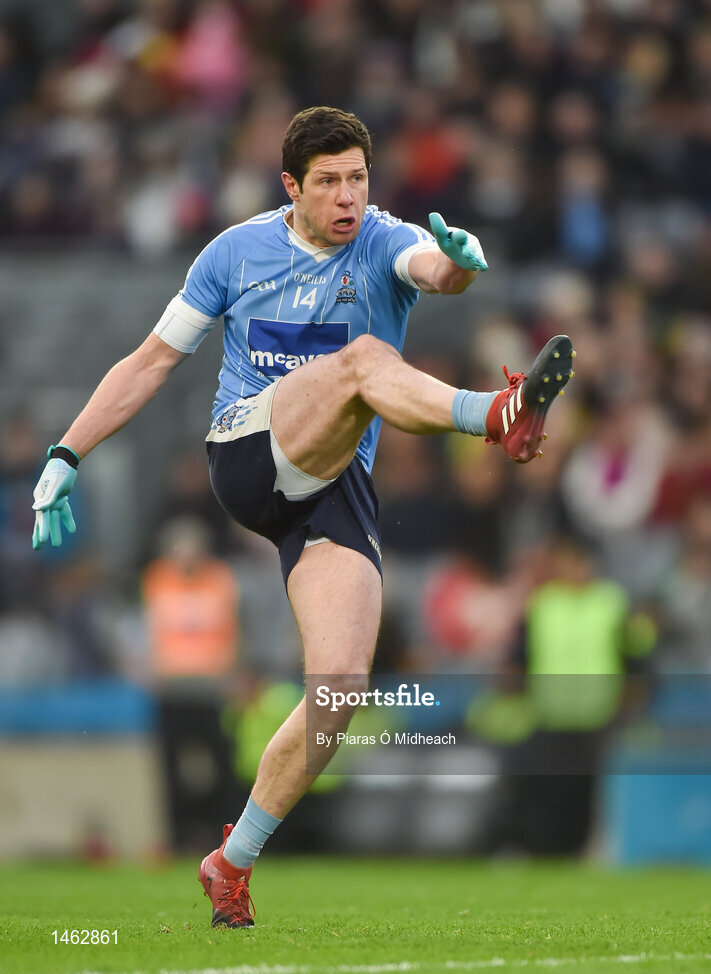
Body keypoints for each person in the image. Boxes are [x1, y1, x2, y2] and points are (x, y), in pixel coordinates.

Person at [31, 106, 574, 928]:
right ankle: (495, 414)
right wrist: (65, 455)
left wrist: (459, 264)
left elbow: (432, 269)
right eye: (328, 182)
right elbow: (149, 363)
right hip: (248, 455)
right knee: (360, 363)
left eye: (358, 178)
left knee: (339, 689)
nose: (348, 196)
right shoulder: (234, 253)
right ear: (291, 185)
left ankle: (231, 862)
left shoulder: (386, 239)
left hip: (329, 489)